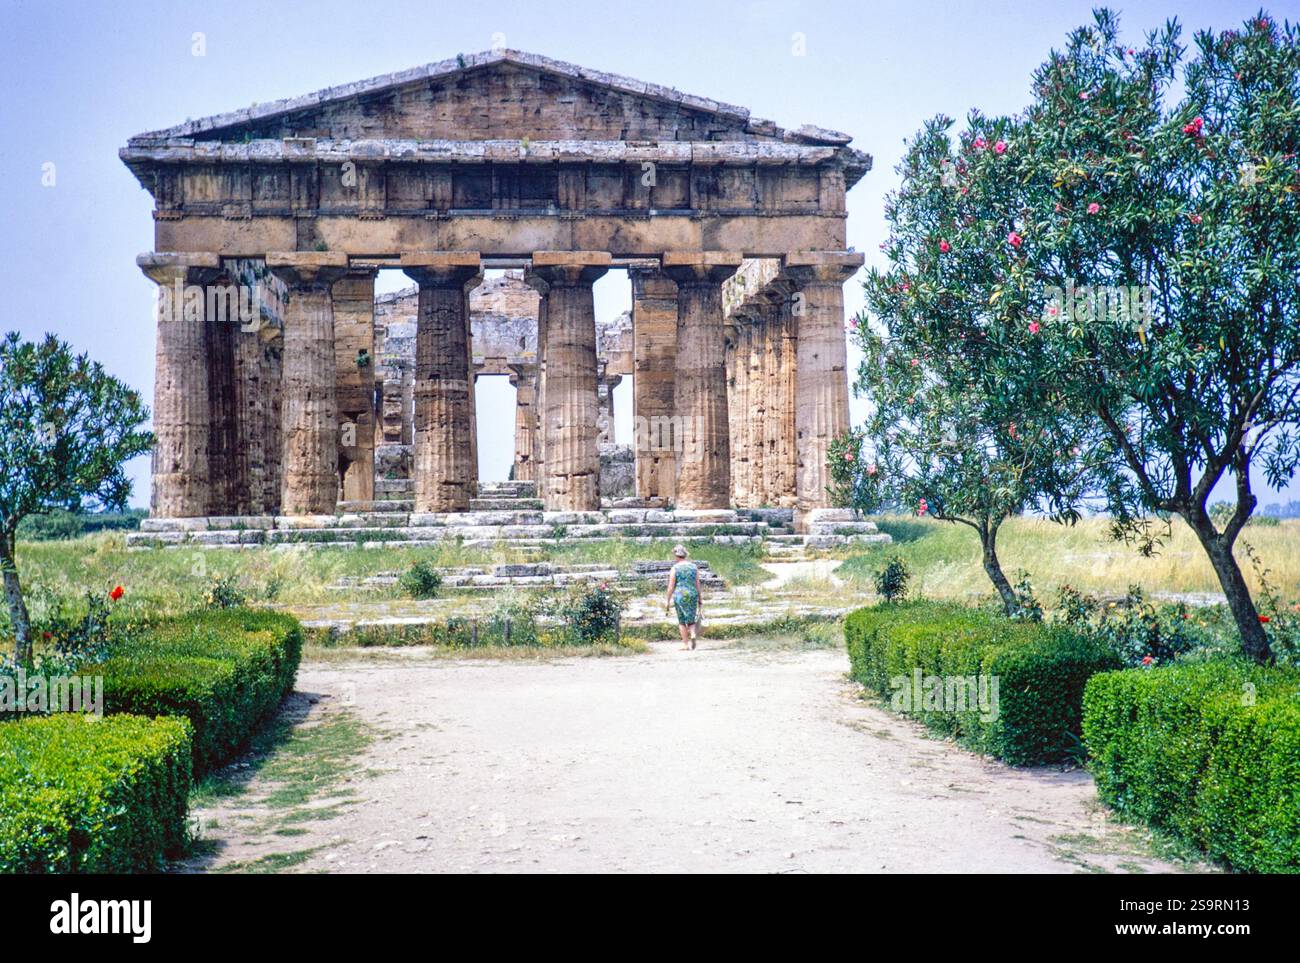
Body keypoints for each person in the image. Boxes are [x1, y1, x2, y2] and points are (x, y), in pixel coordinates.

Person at [664, 544, 701, 650]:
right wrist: (700, 598)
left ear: (676, 555)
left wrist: (667, 600)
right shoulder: (694, 567)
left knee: (681, 620)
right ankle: (693, 634)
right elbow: (697, 584)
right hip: (693, 594)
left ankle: (685, 644)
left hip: (680, 595)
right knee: (691, 618)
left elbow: (671, 586)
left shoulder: (675, 568)